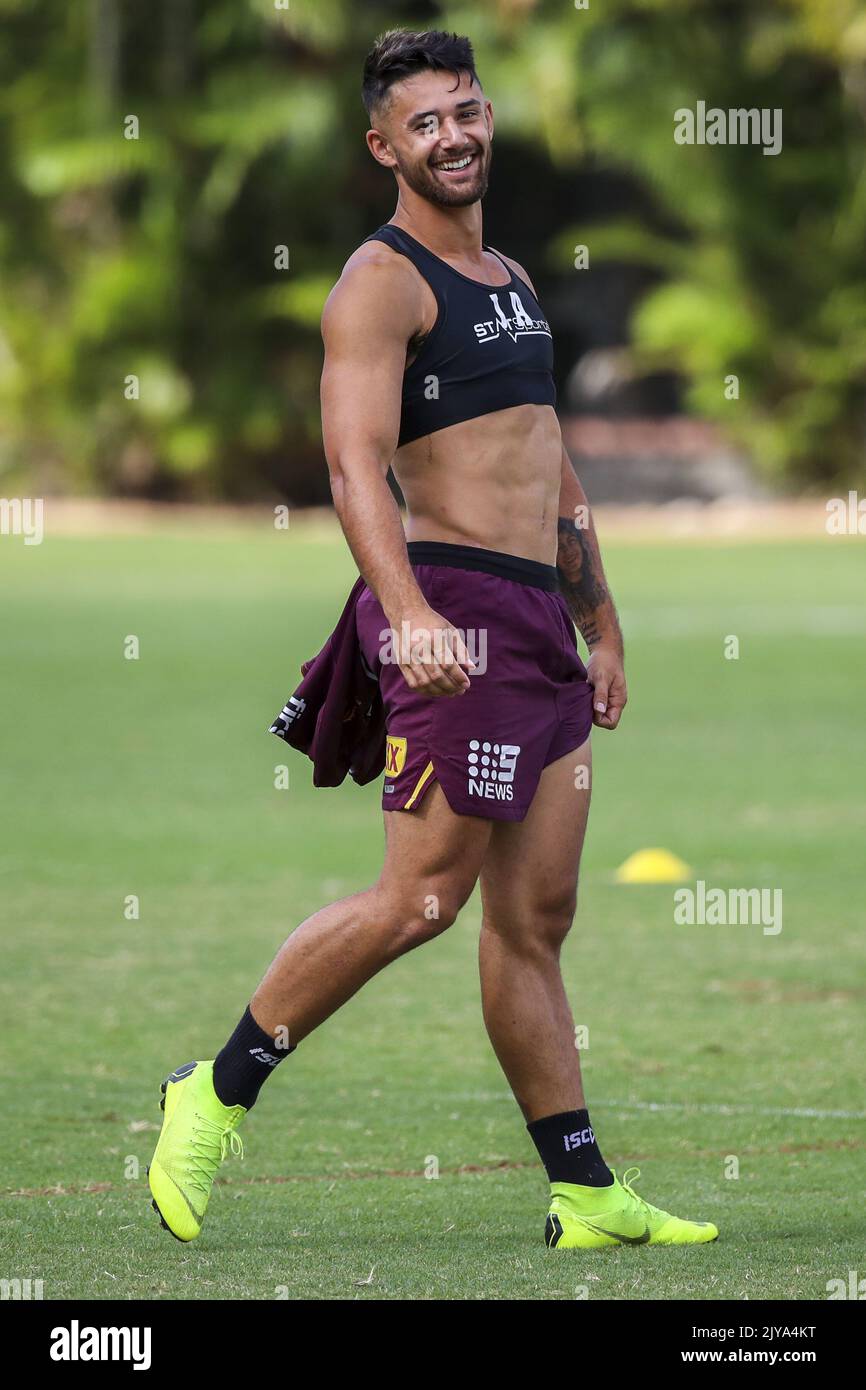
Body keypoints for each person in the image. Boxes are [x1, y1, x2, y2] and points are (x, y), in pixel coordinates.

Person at [148, 28, 718, 1252]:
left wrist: (598, 622)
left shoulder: (509, 277)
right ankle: (213, 1090)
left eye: (465, 110)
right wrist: (407, 616)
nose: (452, 135)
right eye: (424, 122)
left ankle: (580, 1190)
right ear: (382, 145)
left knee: (536, 917)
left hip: (536, 631)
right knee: (417, 901)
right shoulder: (380, 281)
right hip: (450, 616)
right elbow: (352, 466)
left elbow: (549, 466)